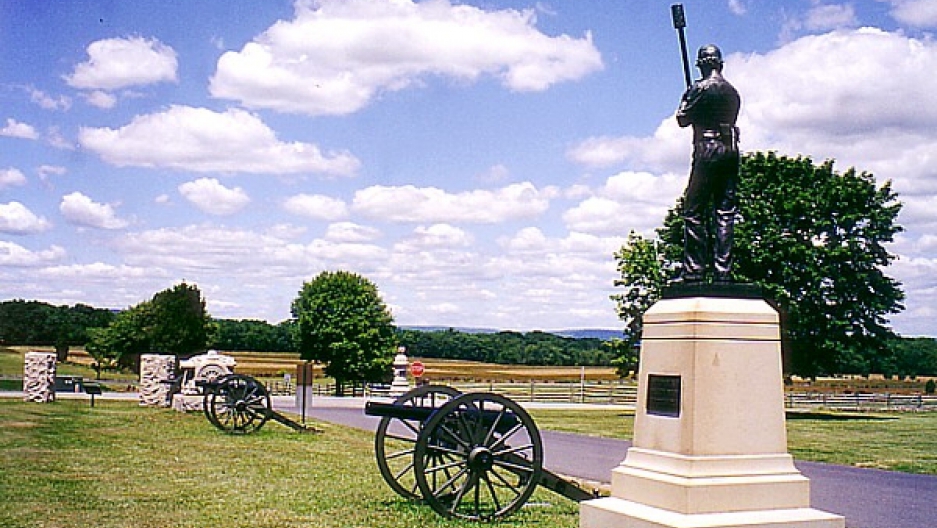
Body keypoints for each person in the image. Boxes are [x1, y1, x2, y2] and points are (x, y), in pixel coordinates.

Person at [675, 44, 741, 283]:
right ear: (720, 63)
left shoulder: (700, 89)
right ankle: (723, 271)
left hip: (707, 149)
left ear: (702, 63)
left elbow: (682, 119)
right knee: (725, 211)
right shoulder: (732, 92)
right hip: (730, 150)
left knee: (694, 210)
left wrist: (688, 98)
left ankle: (694, 270)